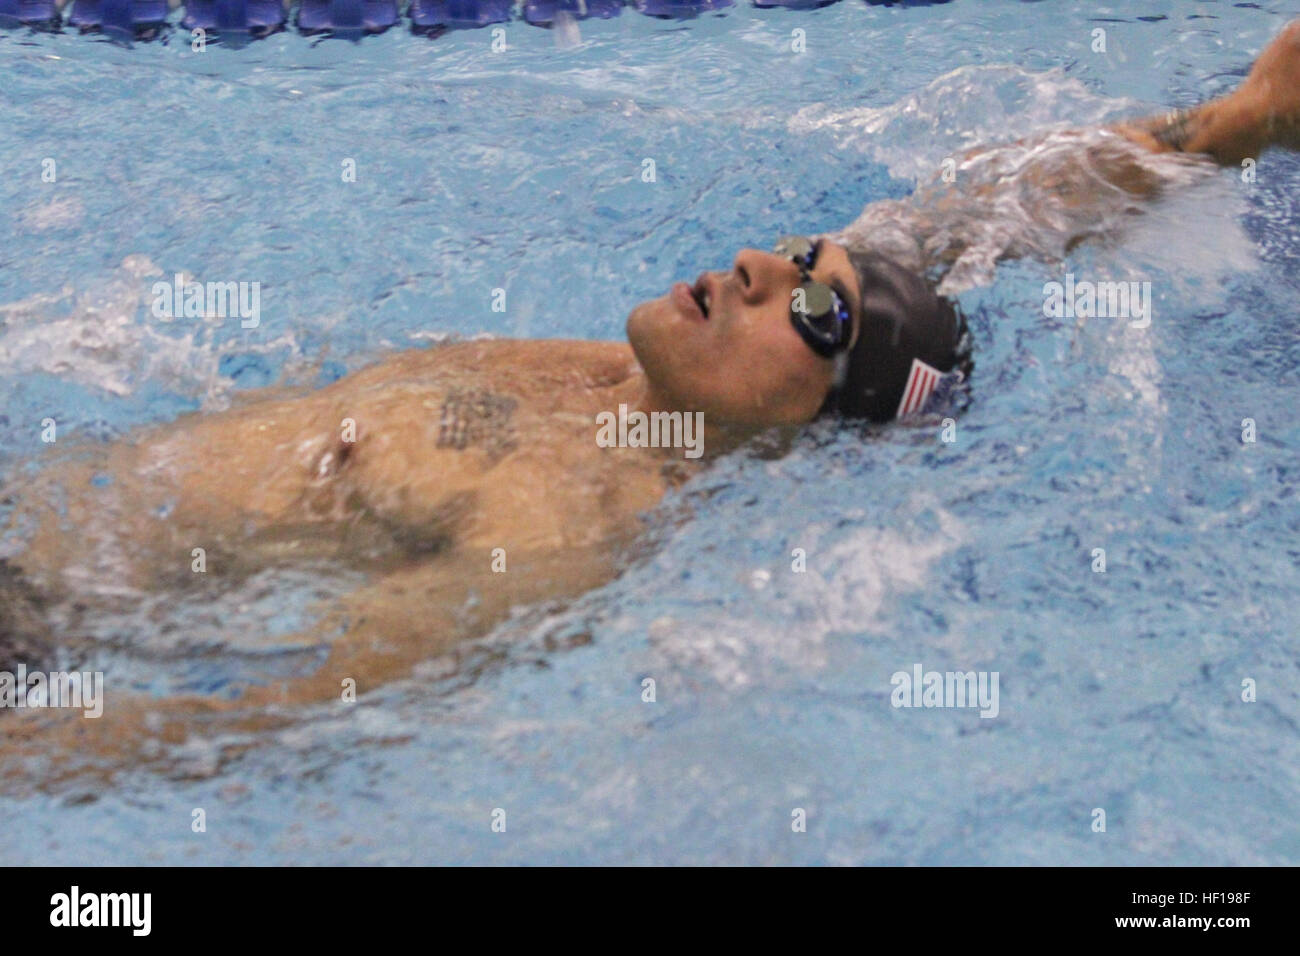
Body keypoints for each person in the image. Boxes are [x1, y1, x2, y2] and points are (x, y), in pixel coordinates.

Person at [3, 20, 1299, 768]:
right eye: (795, 256)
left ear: (808, 432)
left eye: (814, 309)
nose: (758, 266)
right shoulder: (615, 380)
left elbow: (285, 724)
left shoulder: (560, 532)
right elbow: (989, 218)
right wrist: (1235, 123)